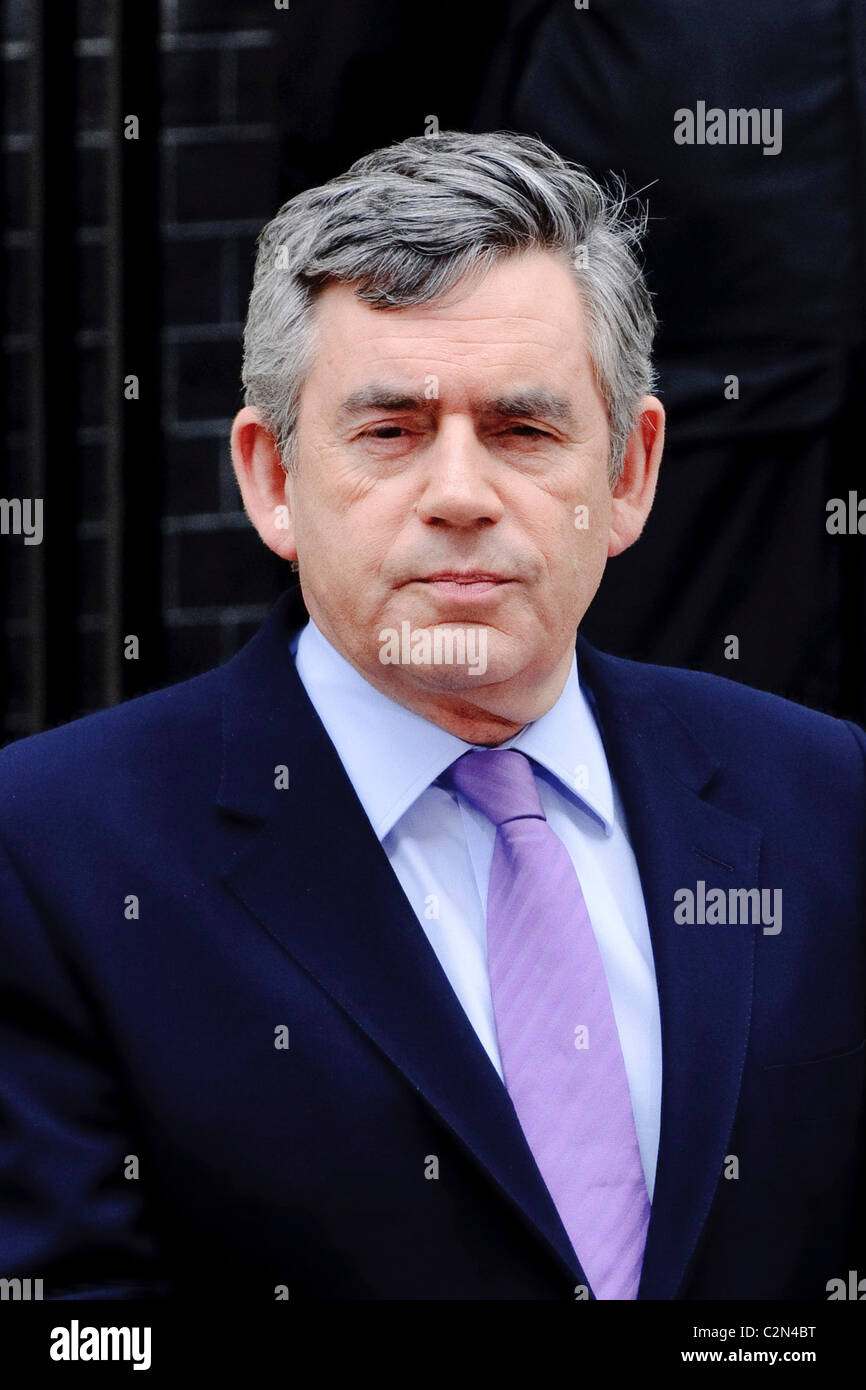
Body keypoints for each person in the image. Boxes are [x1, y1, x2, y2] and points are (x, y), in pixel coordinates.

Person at [0, 132, 863, 1302]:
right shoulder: (52, 851)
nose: (458, 495)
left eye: (521, 430)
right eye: (389, 432)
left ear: (626, 474)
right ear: (270, 479)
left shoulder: (823, 799)